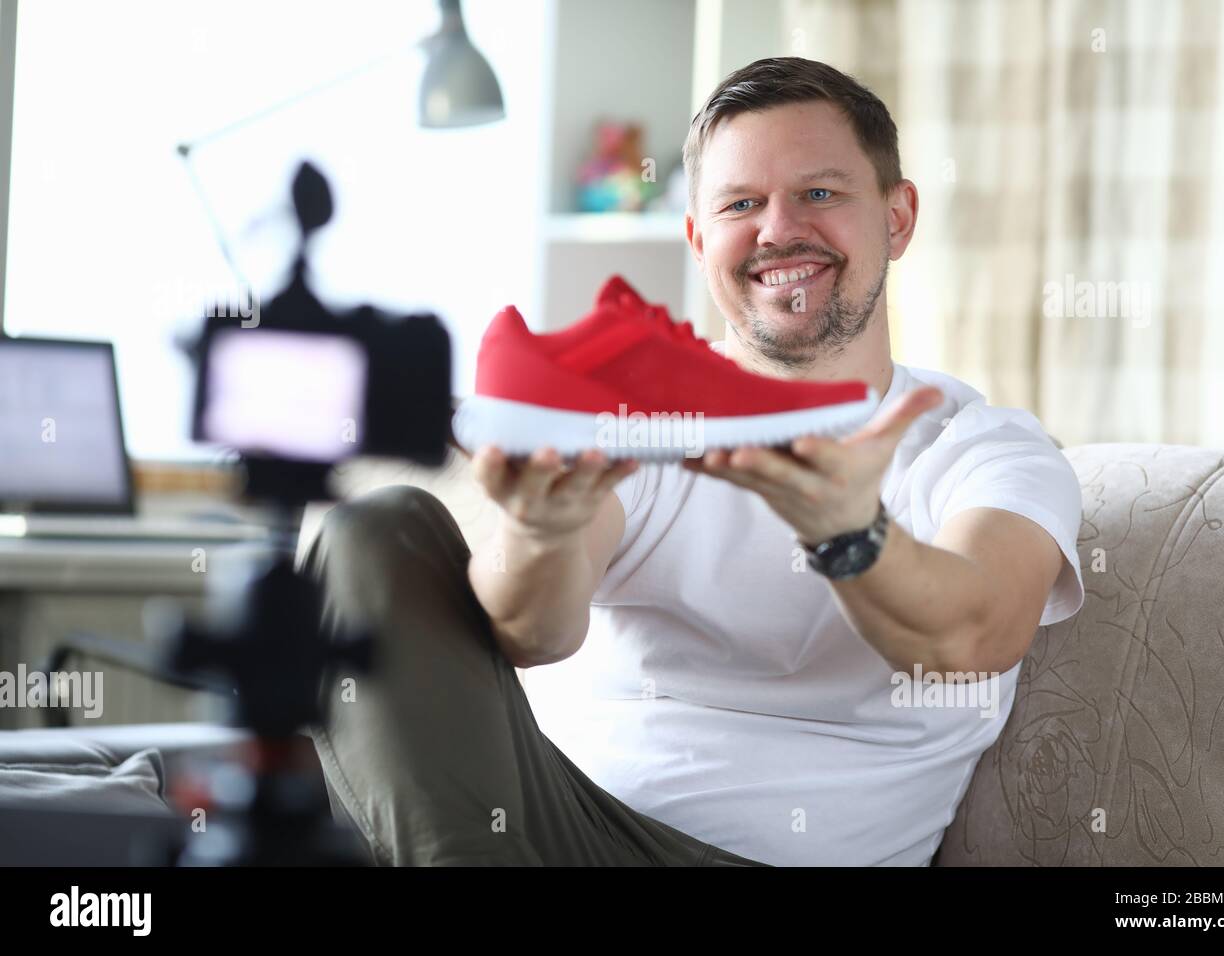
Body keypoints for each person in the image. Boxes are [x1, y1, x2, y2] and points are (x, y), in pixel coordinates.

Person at [303, 56, 1085, 866]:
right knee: (373, 532)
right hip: (569, 833)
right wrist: (541, 530)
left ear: (897, 218)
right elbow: (531, 633)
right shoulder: (646, 423)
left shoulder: (984, 448)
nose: (778, 229)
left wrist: (848, 532)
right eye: (741, 204)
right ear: (698, 237)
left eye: (819, 193)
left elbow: (969, 637)